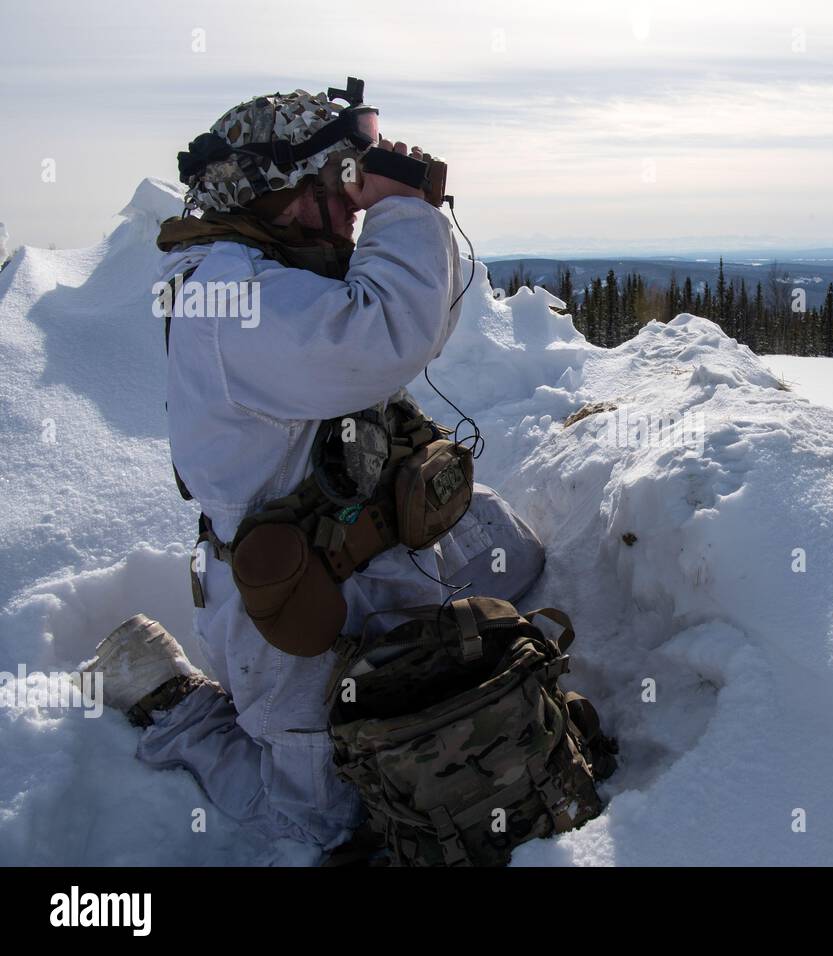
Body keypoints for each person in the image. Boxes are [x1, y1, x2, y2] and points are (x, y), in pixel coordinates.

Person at [84, 81, 545, 853]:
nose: (357, 205)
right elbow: (384, 340)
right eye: (340, 183)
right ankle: (172, 704)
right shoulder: (225, 298)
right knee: (321, 820)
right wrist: (404, 211)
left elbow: (421, 322)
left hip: (372, 555)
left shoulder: (284, 270)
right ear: (285, 194)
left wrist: (415, 215)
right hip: (292, 610)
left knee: (520, 568)